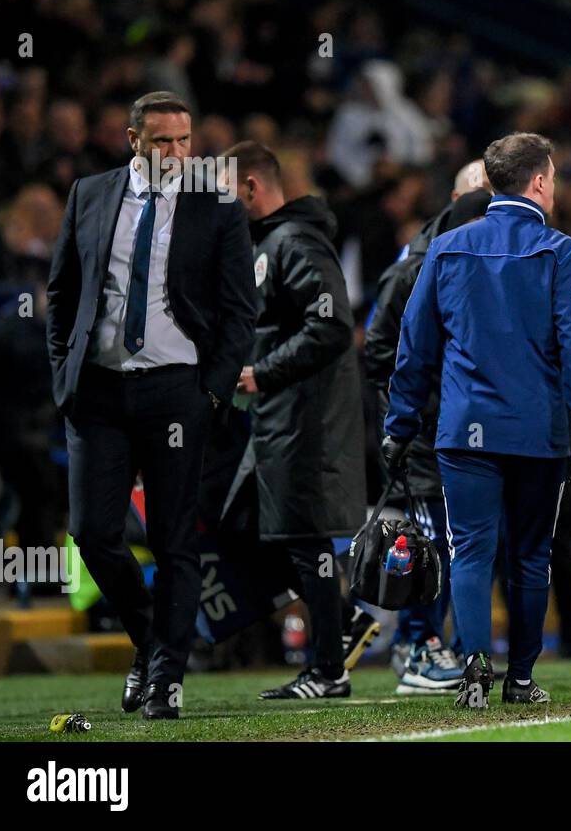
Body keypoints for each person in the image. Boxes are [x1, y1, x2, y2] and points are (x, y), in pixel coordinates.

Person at [45, 91, 256, 720]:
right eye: (162, 141)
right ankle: (151, 641)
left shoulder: (216, 203)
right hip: (100, 391)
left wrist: (211, 390)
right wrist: (64, 371)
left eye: (184, 140)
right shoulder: (90, 192)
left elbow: (240, 311)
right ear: (133, 140)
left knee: (173, 542)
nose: (176, 152)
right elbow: (62, 291)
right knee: (92, 533)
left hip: (175, 390)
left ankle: (166, 675)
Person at [383, 132, 571, 709]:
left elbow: (414, 346)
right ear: (538, 182)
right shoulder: (561, 253)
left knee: (471, 550)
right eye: (553, 177)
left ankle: (474, 662)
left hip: (464, 428)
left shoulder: (447, 247)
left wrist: (400, 423)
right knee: (531, 556)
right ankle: (521, 677)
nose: (554, 186)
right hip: (537, 431)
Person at [217, 141, 367, 700]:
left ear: (251, 187)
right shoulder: (270, 244)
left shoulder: (296, 242)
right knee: (244, 528)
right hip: (279, 417)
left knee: (304, 541)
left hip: (306, 420)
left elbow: (331, 325)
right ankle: (342, 616)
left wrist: (264, 372)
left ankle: (329, 669)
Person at [364, 163, 491, 695]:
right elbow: (377, 351)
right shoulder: (418, 265)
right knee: (429, 541)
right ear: (461, 199)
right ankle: (418, 647)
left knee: (458, 541)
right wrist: (409, 415)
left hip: (460, 425)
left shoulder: (464, 254)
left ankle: (451, 647)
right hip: (426, 432)